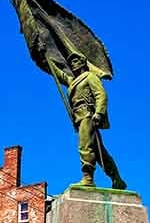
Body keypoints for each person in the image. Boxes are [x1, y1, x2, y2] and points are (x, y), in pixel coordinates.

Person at [52, 52, 126, 189]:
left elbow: (101, 95)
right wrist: (46, 56)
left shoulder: (90, 76)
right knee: (98, 151)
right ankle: (116, 177)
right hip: (79, 117)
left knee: (85, 146)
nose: (72, 64)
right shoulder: (73, 82)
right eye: (71, 62)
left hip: (88, 115)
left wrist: (99, 113)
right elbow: (59, 74)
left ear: (82, 63)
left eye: (75, 61)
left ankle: (88, 178)